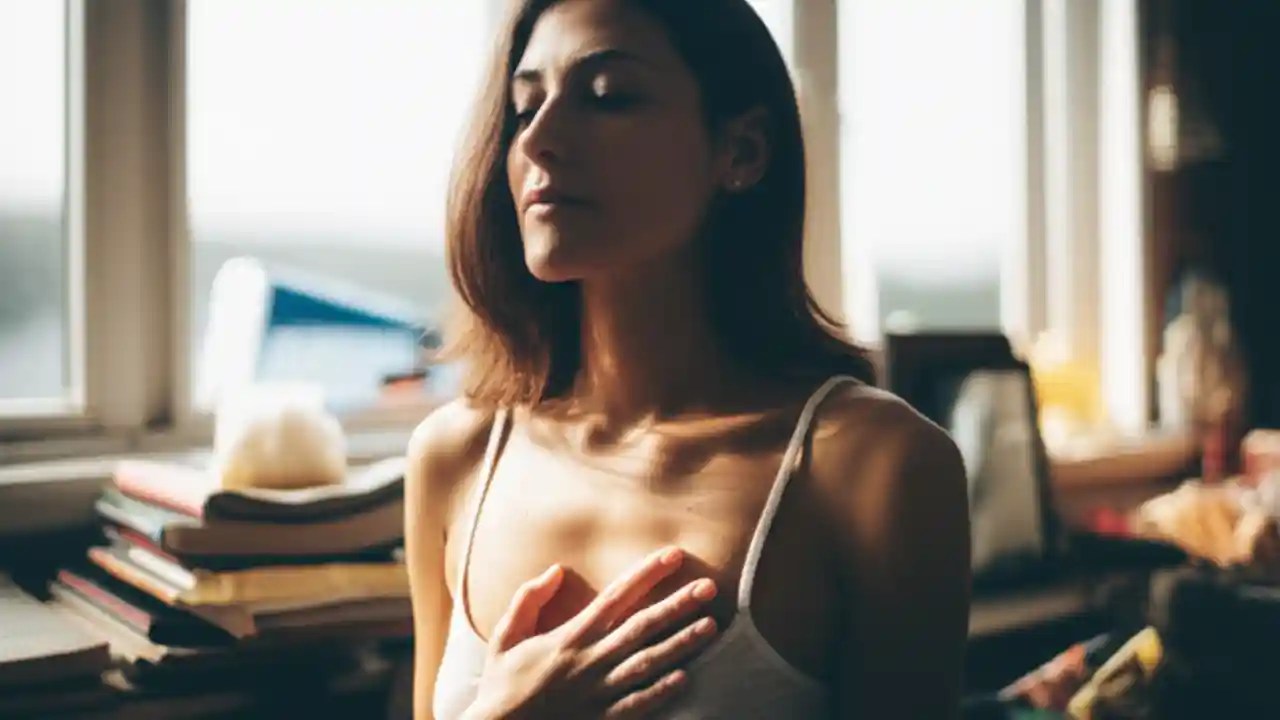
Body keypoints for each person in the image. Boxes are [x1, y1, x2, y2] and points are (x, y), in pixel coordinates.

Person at [405, 0, 971, 717]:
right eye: (524, 109)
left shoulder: (874, 470)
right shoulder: (454, 458)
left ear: (740, 153)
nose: (540, 140)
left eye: (608, 97)